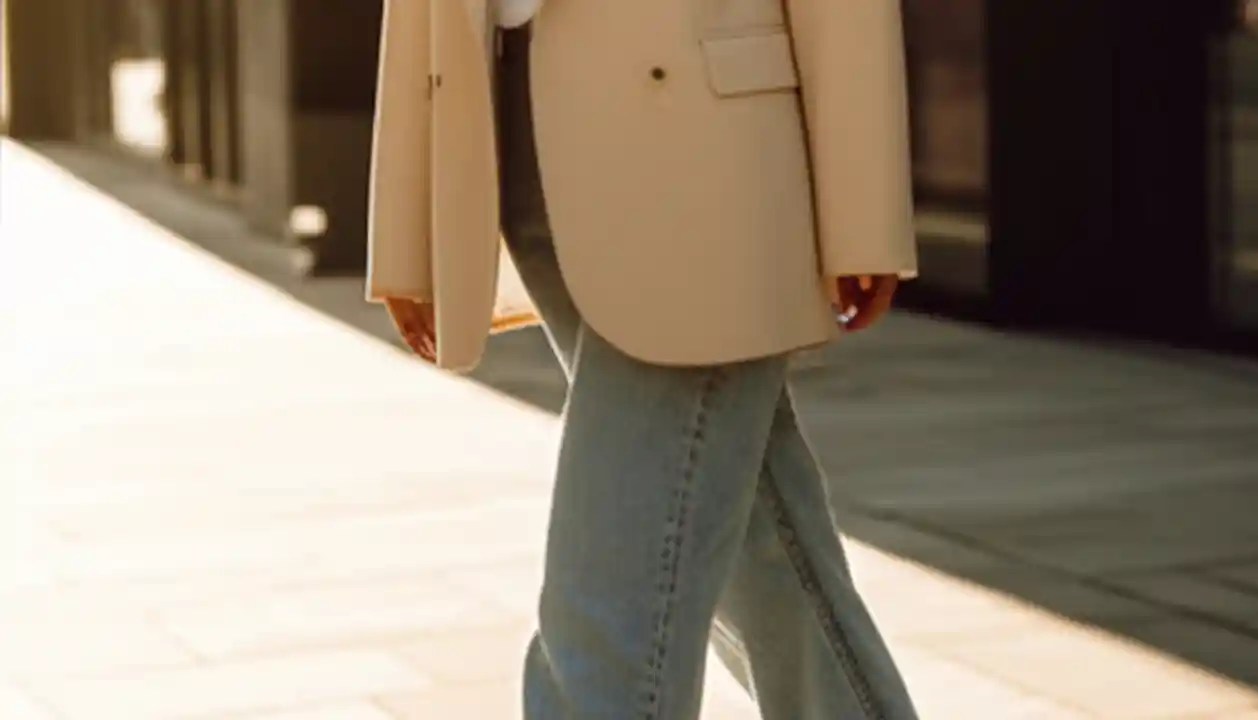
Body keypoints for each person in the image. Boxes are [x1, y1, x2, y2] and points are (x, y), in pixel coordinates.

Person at [366, 1, 919, 717]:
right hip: (516, 132)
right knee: (762, 559)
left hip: (702, 152)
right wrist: (411, 213)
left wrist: (863, 208)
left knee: (605, 614)